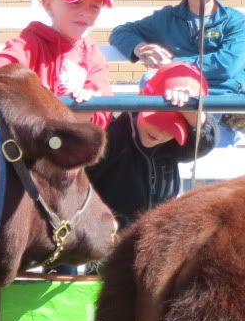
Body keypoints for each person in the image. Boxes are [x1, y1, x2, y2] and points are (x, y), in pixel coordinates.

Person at [88, 62, 217, 230]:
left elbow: (204, 142)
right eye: (157, 120)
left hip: (156, 231)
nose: (160, 133)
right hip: (112, 233)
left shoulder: (171, 146)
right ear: (141, 97)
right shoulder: (113, 136)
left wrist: (193, 112)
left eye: (171, 129)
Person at [110, 0, 245, 144]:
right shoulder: (166, 18)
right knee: (149, 80)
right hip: (171, 102)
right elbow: (120, 32)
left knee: (215, 161)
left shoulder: (237, 21)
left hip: (216, 105)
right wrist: (139, 47)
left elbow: (226, 65)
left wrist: (173, 65)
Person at [0, 0, 113, 129]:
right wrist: (33, 91)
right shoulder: (30, 44)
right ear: (49, 7)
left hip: (72, 141)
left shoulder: (92, 55)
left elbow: (105, 110)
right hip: (33, 140)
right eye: (75, 3)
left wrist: (89, 112)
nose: (85, 13)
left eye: (95, 6)